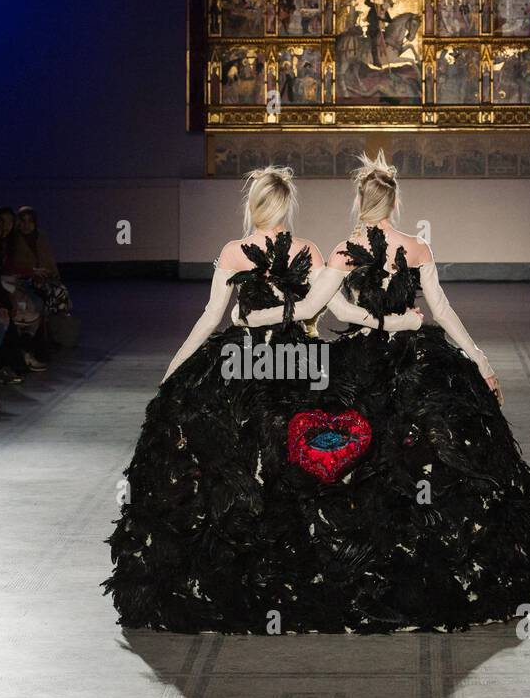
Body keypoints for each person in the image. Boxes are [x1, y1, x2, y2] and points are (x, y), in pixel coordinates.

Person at [234, 152, 530, 629]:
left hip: (362, 363)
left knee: (366, 461)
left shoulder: (343, 251)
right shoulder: (417, 247)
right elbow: (442, 311)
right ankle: (427, 566)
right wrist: (478, 357)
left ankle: (366, 571)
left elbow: (318, 311)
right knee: (422, 455)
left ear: (360, 201)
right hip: (415, 357)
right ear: (394, 201)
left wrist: (250, 316)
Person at [105, 166, 417, 633]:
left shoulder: (235, 252)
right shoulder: (309, 250)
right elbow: (331, 311)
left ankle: (238, 570)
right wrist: (397, 323)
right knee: (295, 461)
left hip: (248, 361)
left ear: (254, 205)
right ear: (287, 205)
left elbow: (212, 318)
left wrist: (175, 368)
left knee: (239, 455)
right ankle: (305, 570)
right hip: (302, 363)